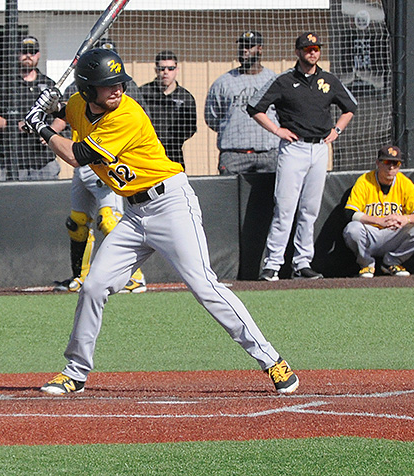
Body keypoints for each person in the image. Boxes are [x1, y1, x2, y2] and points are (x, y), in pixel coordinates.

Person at [23, 48, 299, 397]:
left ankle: (272, 360)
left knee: (203, 286)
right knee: (93, 287)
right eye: (108, 86)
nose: (118, 90)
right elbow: (67, 114)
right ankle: (75, 372)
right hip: (135, 214)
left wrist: (42, 126)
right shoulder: (80, 103)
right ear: (89, 90)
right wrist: (49, 107)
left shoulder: (126, 115)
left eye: (119, 83)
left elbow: (77, 156)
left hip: (170, 204)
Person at [249, 32, 357, 281]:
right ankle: (273, 264)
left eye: (316, 48)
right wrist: (276, 129)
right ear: (298, 52)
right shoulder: (284, 80)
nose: (313, 52)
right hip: (294, 148)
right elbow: (255, 107)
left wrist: (337, 130)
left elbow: (350, 107)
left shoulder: (328, 79)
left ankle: (302, 263)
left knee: (310, 209)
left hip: (319, 148)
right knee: (285, 208)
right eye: (307, 49)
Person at [52, 38, 146, 294]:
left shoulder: (123, 95)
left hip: (104, 161)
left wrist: (46, 132)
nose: (114, 87)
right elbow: (65, 117)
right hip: (82, 163)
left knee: (109, 220)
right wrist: (45, 118)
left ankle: (134, 277)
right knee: (77, 221)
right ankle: (80, 276)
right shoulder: (82, 90)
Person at [343, 146, 414, 277]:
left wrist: (405, 219)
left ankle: (392, 262)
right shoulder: (365, 181)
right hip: (371, 233)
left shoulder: (404, 183)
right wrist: (378, 220)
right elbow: (349, 213)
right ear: (378, 163)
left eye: (395, 163)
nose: (391, 167)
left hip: (394, 234)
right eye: (386, 162)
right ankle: (367, 264)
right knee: (352, 229)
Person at [205, 31, 279, 175]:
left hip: (268, 154)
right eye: (242, 47)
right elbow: (212, 118)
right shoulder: (223, 82)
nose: (245, 50)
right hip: (233, 156)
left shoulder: (274, 80)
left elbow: (283, 114)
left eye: (250, 46)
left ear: (260, 49)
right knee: (230, 197)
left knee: (269, 197)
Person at [0, 35, 59, 181]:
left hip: (44, 161)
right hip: (10, 162)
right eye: (24, 51)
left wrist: (52, 131)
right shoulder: (2, 84)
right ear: (17, 54)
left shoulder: (49, 84)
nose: (28, 56)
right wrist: (17, 126)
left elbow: (62, 116)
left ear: (38, 55)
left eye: (32, 52)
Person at [136, 50, 197, 169]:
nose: (166, 72)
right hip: (147, 153)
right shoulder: (142, 93)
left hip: (174, 153)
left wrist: (175, 139)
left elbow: (191, 128)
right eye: (162, 69)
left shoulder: (185, 97)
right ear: (155, 70)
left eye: (170, 68)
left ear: (177, 70)